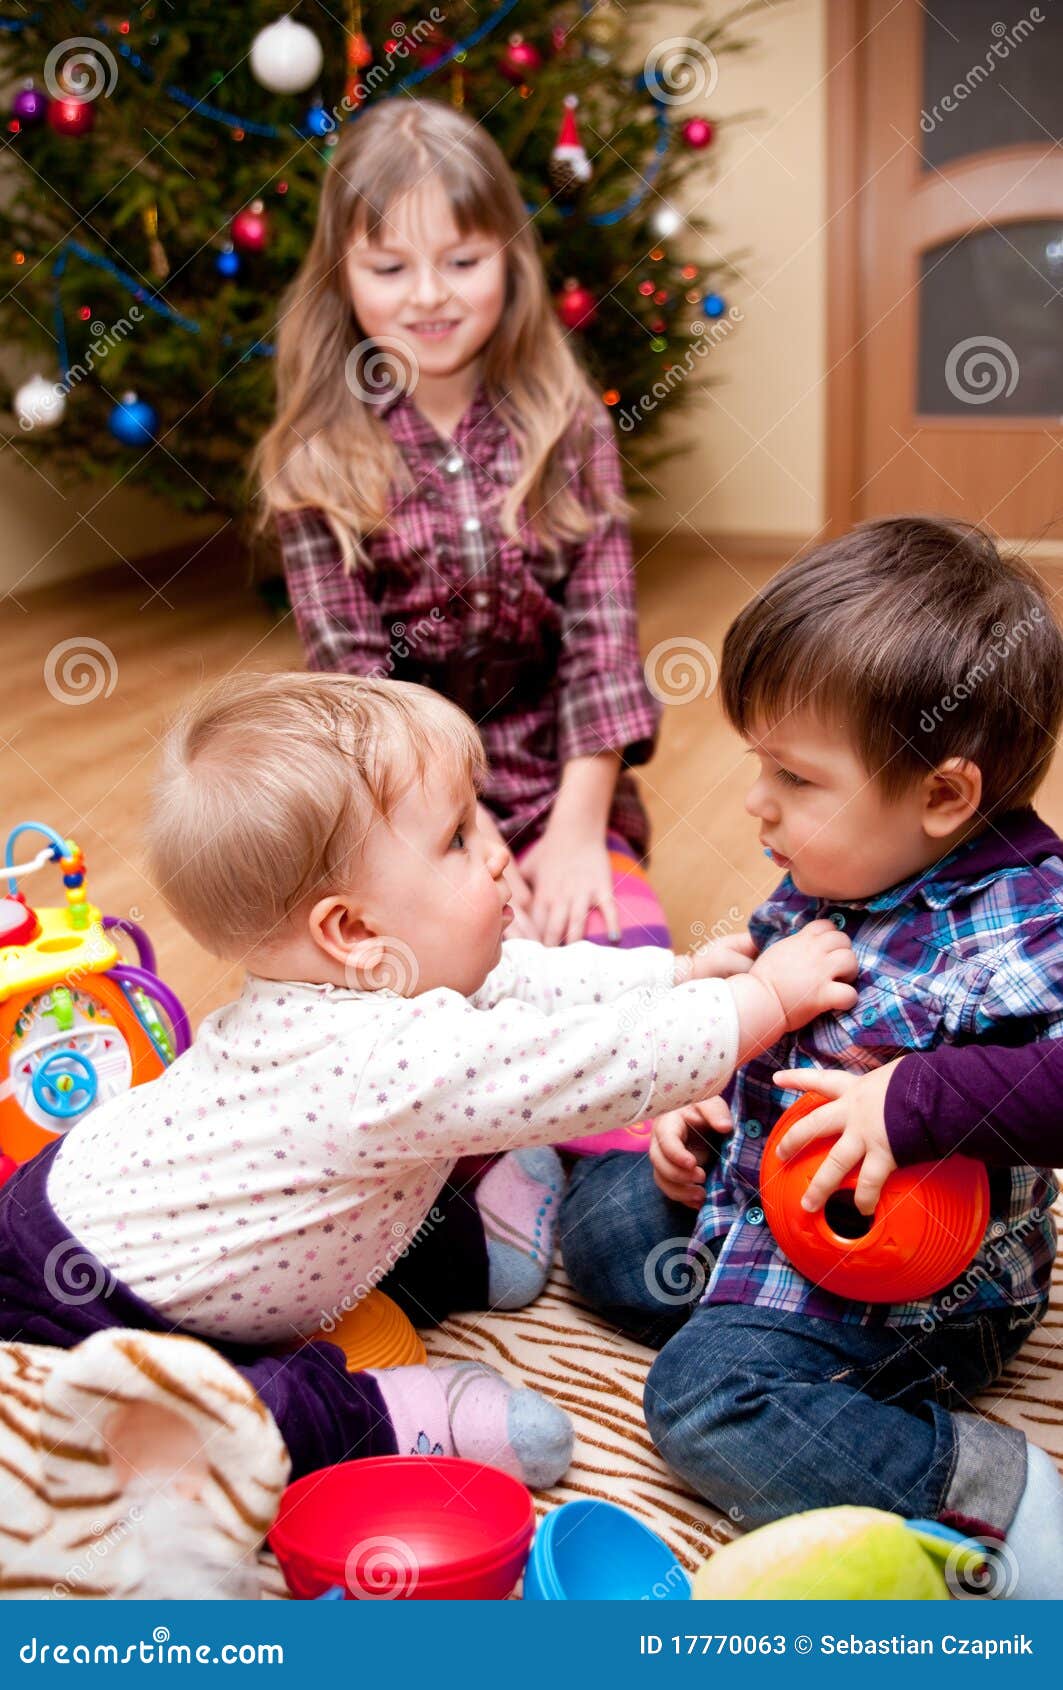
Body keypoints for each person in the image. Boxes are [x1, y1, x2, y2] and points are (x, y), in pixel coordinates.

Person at [0, 671, 857, 1486]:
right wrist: (760, 1003)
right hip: (85, 1309)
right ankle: (396, 1413)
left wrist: (678, 975)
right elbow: (595, 1067)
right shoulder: (369, 1064)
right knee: (221, 1430)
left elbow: (525, 980)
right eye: (455, 839)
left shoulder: (375, 979)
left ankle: (473, 1245)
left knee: (352, 1211)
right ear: (350, 928)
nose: (492, 855)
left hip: (149, 1213)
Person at [560, 516, 1063, 1598]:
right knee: (601, 1225)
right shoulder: (841, 860)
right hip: (770, 1199)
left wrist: (913, 1101)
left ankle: (986, 1484)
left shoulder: (1021, 915)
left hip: (924, 1289)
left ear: (944, 794)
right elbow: (789, 1028)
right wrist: (702, 1114)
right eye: (758, 764)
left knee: (702, 1398)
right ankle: (744, 1314)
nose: (755, 802)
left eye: (792, 775)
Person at [255, 97, 666, 953]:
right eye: (389, 267)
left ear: (510, 260)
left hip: (567, 791)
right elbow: (359, 684)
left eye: (463, 259)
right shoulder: (314, 457)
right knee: (430, 994)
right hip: (403, 807)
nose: (430, 295)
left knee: (625, 974)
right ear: (339, 275)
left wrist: (579, 832)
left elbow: (602, 646)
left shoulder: (570, 423)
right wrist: (460, 836)